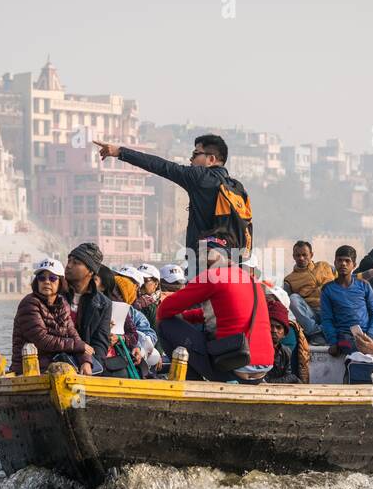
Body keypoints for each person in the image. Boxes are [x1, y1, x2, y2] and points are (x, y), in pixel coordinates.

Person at [94, 135, 251, 271]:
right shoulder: (237, 187)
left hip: (203, 262)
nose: (191, 159)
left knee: (197, 304)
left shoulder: (200, 177)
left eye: (195, 154)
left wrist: (120, 151)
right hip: (231, 261)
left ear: (211, 159)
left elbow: (163, 167)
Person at [155, 235, 273, 382]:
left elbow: (164, 309)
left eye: (207, 254)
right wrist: (186, 316)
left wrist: (178, 318)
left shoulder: (214, 276)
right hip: (262, 371)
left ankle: (192, 384)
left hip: (233, 367)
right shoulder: (251, 280)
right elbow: (224, 314)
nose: (203, 260)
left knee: (165, 324)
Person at [10, 258, 93, 374]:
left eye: (53, 278)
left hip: (57, 367)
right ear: (37, 282)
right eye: (42, 278)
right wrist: (78, 345)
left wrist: (86, 361)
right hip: (30, 370)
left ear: (60, 282)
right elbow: (42, 340)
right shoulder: (29, 304)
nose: (47, 282)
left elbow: (74, 335)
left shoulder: (62, 304)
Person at [319, 245, 373, 357]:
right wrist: (333, 342)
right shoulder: (328, 289)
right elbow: (326, 319)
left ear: (354, 265)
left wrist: (371, 335)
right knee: (351, 345)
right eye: (340, 260)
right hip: (343, 339)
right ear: (335, 262)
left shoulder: (364, 285)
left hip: (366, 335)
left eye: (347, 261)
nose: (343, 264)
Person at [64, 242, 112, 374]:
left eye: (76, 263)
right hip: (57, 358)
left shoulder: (104, 304)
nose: (68, 266)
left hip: (87, 364)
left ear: (91, 271)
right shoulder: (55, 295)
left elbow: (100, 343)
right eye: (69, 261)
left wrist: (88, 363)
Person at [283, 240, 334, 341]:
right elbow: (285, 303)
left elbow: (345, 278)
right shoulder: (289, 279)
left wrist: (369, 273)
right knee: (292, 298)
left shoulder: (325, 266)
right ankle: (316, 333)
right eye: (298, 255)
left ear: (311, 255)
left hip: (330, 310)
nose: (301, 258)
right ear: (293, 256)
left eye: (304, 255)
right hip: (311, 314)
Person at [265, 296, 307, 383]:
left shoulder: (286, 351)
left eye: (278, 328)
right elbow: (264, 380)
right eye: (271, 326)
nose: (274, 331)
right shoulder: (259, 350)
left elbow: (287, 375)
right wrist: (292, 378)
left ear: (284, 334)